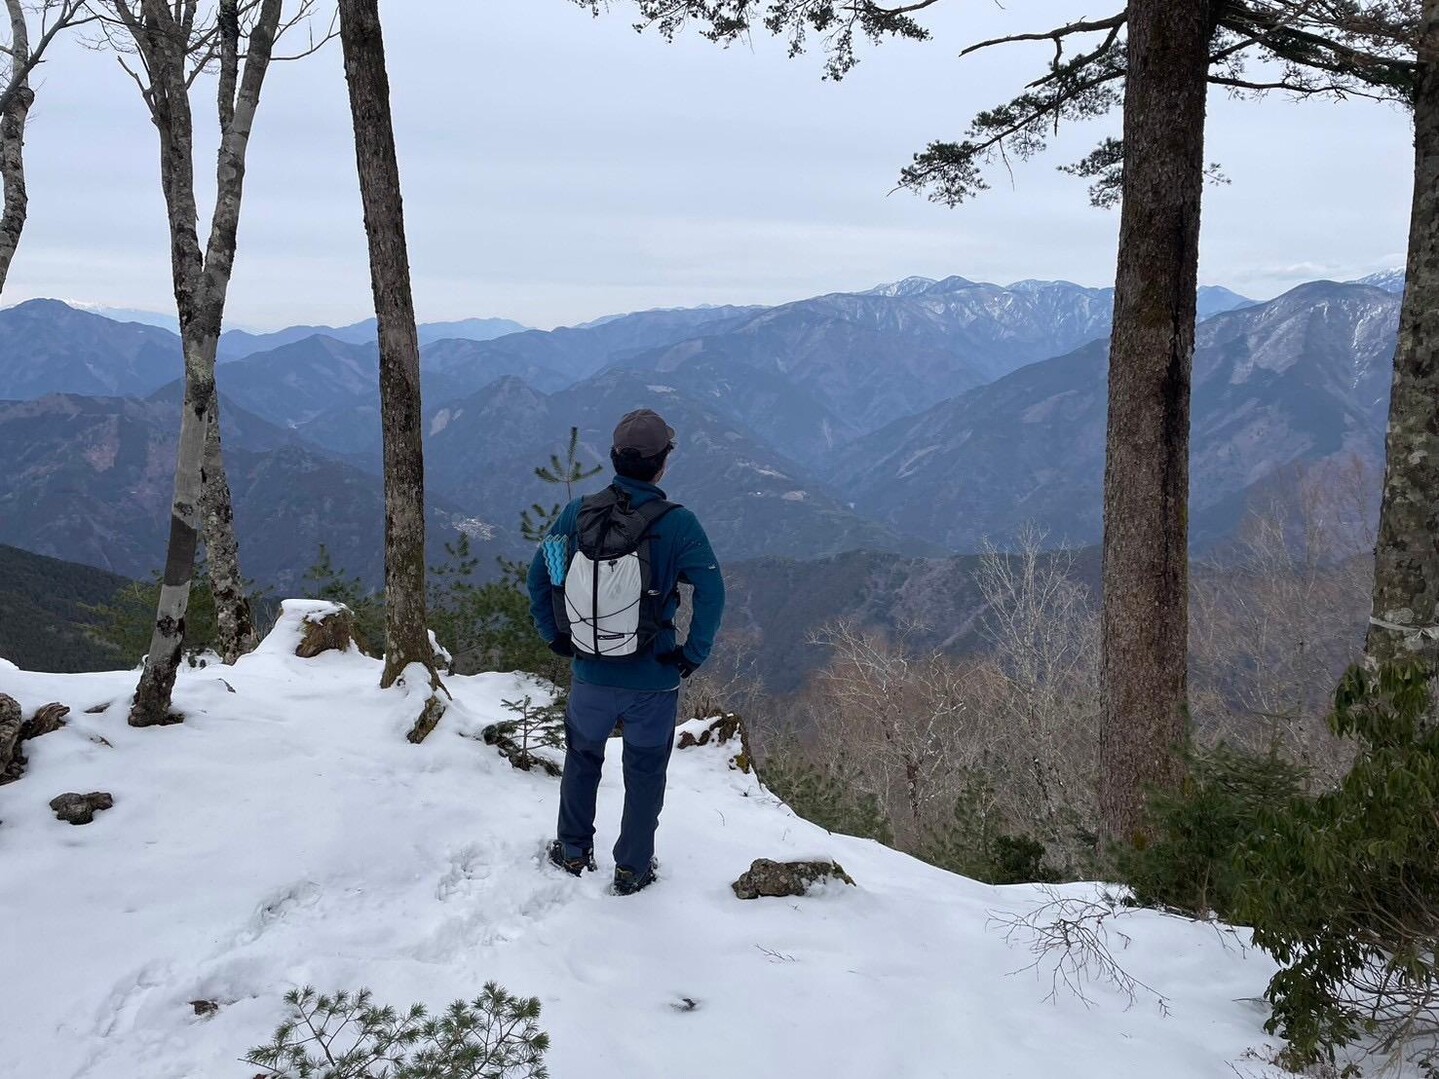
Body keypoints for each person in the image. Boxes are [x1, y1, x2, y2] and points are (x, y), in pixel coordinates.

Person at [527, 408, 725, 895]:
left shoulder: (579, 513)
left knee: (582, 759)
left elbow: (540, 574)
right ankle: (632, 868)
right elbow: (712, 592)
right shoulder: (680, 525)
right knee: (644, 772)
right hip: (653, 677)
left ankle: (572, 850)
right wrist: (691, 654)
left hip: (590, 672)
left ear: (615, 458)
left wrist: (556, 636)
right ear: (663, 465)